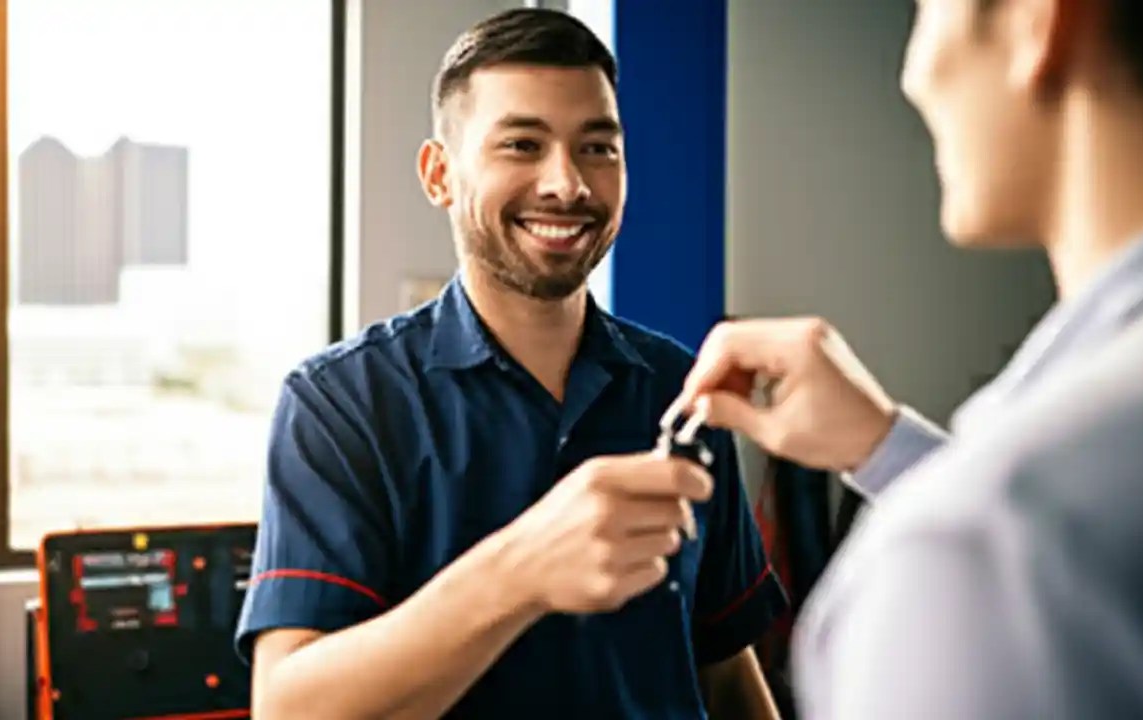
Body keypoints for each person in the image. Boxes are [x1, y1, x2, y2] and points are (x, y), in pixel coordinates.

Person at [235, 9, 787, 718]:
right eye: (522, 145)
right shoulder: (341, 404)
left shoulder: (683, 391)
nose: (568, 184)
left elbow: (726, 670)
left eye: (597, 148)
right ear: (439, 175)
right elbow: (289, 709)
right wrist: (520, 573)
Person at [672, 0, 1143, 717]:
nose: (913, 75)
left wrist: (953, 519)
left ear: (1039, 20)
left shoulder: (974, 554)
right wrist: (886, 449)